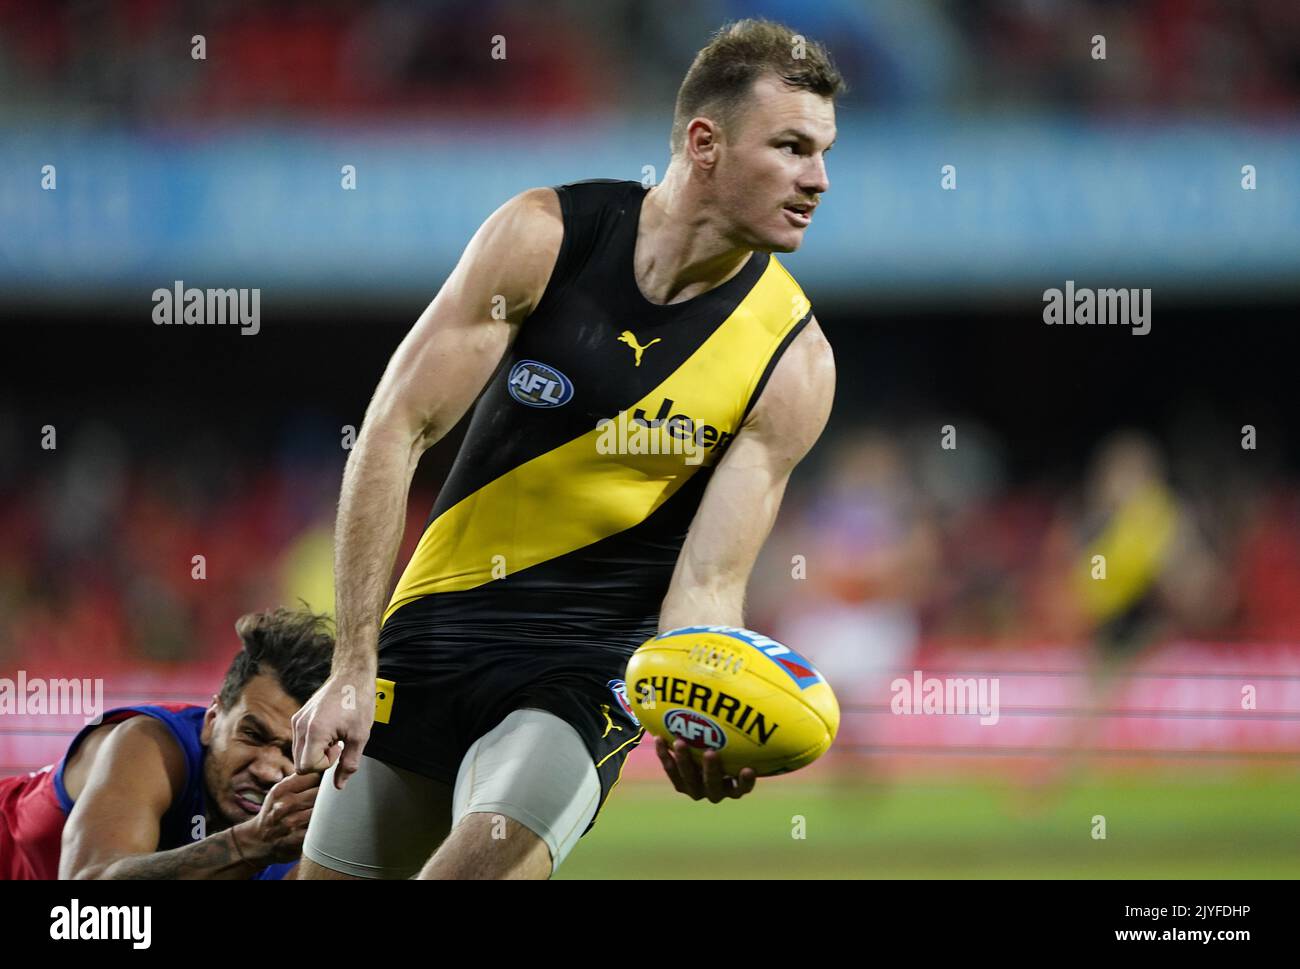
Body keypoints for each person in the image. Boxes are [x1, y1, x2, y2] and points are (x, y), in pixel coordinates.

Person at [294, 18, 842, 880]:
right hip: (430, 638)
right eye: (792, 147)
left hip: (586, 675)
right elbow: (396, 429)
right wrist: (352, 663)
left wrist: (698, 708)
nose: (819, 179)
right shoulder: (545, 237)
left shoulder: (794, 361)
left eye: (822, 151)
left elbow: (706, 583)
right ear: (705, 143)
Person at [0, 607, 334, 879]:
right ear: (212, 720)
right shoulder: (148, 746)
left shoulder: (308, 826)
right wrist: (250, 844)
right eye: (252, 735)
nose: (266, 770)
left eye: (293, 752)